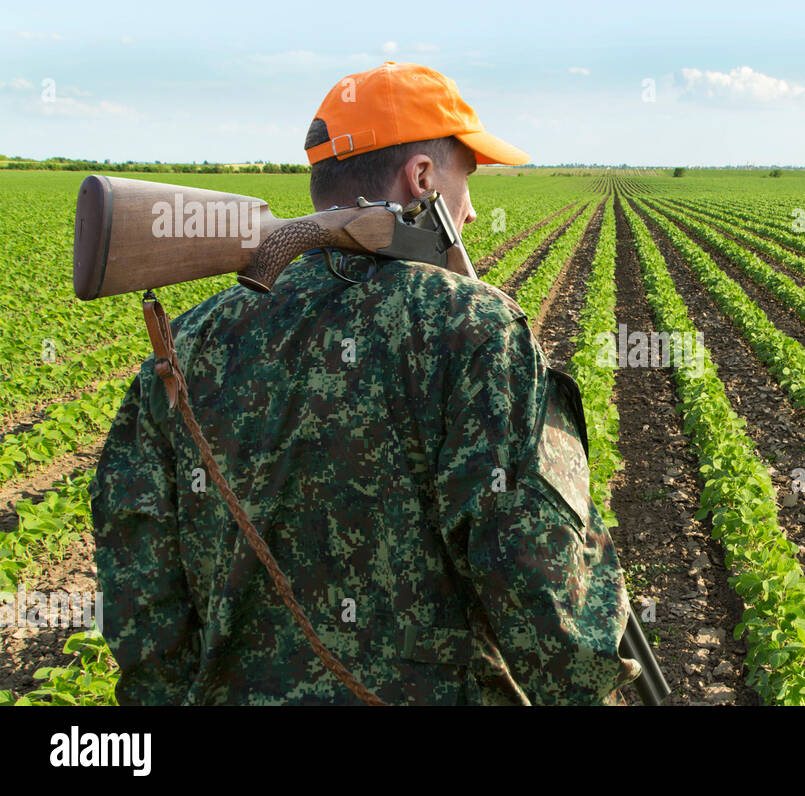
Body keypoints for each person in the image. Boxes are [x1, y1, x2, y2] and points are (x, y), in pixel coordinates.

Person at [88, 61, 639, 705]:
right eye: (468, 177)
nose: (472, 206)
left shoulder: (191, 339)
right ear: (423, 179)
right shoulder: (476, 329)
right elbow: (546, 607)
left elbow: (137, 578)